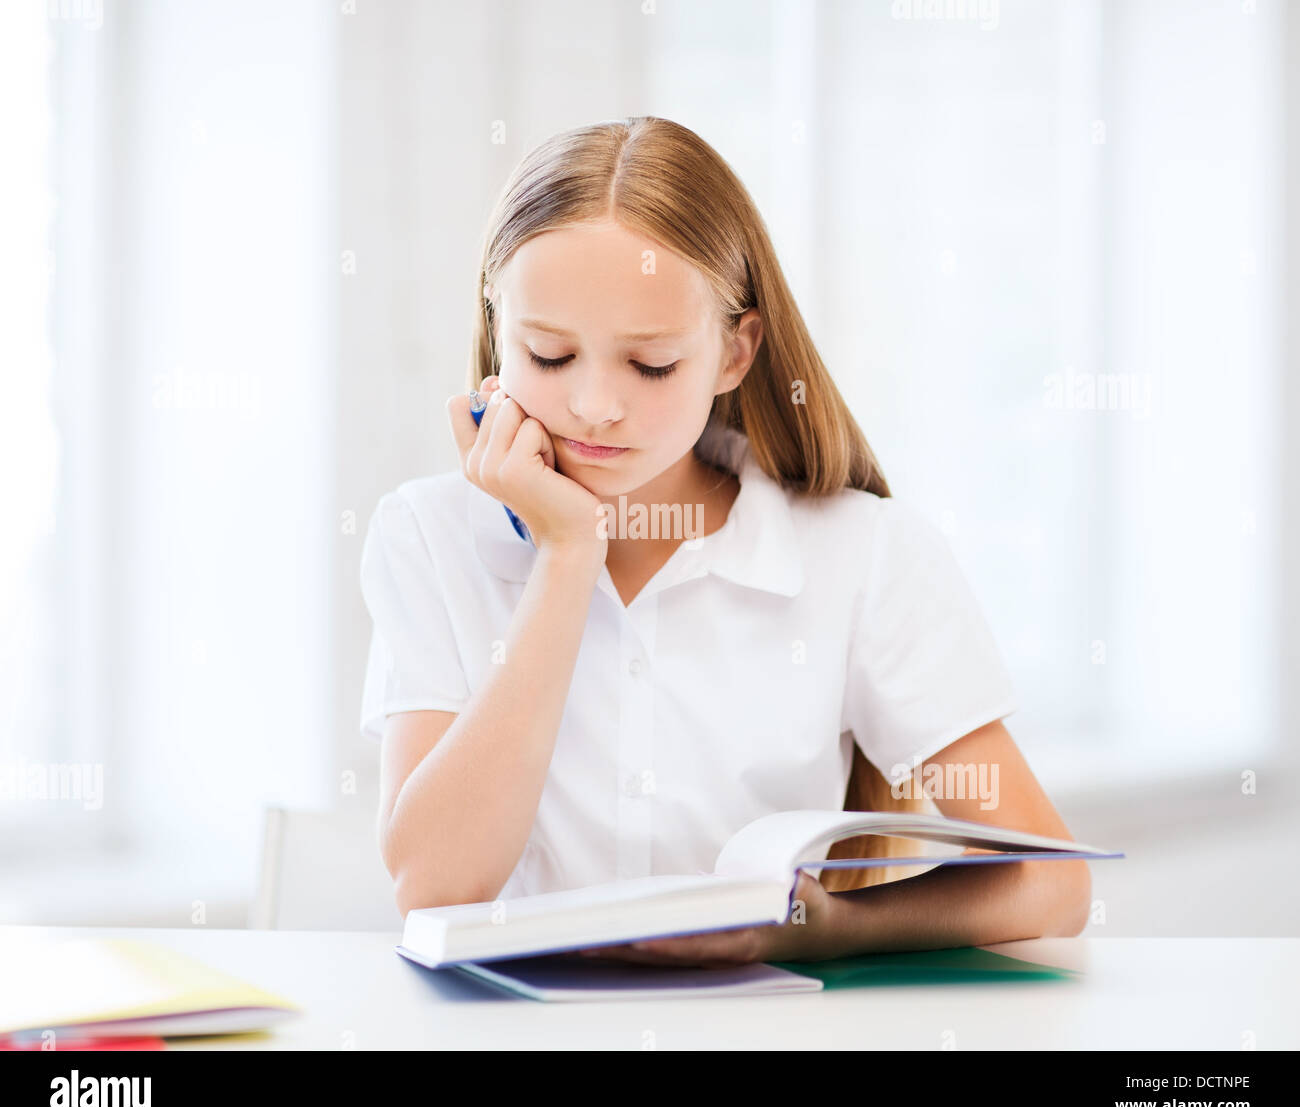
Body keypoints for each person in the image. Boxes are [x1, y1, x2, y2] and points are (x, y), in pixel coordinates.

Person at [360, 116, 1089, 966]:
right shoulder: (430, 534)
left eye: (652, 364)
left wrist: (826, 927)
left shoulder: (862, 555)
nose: (596, 404)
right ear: (497, 329)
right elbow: (432, 889)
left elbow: (1054, 883)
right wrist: (566, 557)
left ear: (736, 353)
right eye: (549, 354)